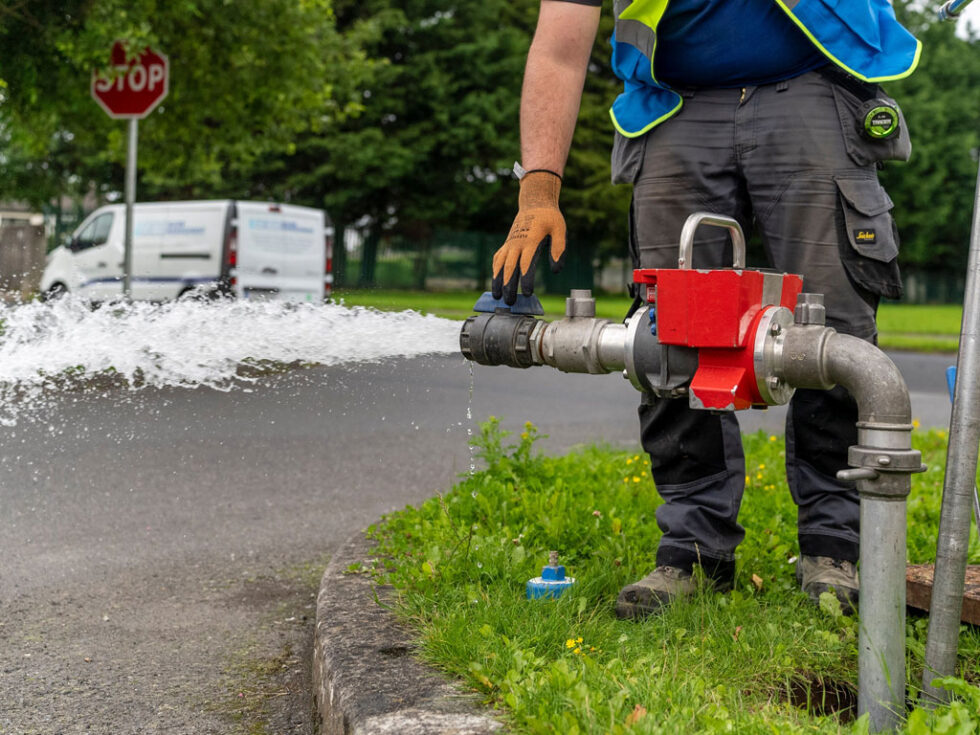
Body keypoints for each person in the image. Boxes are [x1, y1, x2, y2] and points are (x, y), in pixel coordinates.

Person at [491, 0, 920, 618]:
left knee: (833, 329)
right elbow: (559, 48)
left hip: (811, 82)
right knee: (668, 336)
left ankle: (835, 545)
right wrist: (538, 190)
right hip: (674, 103)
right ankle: (694, 548)